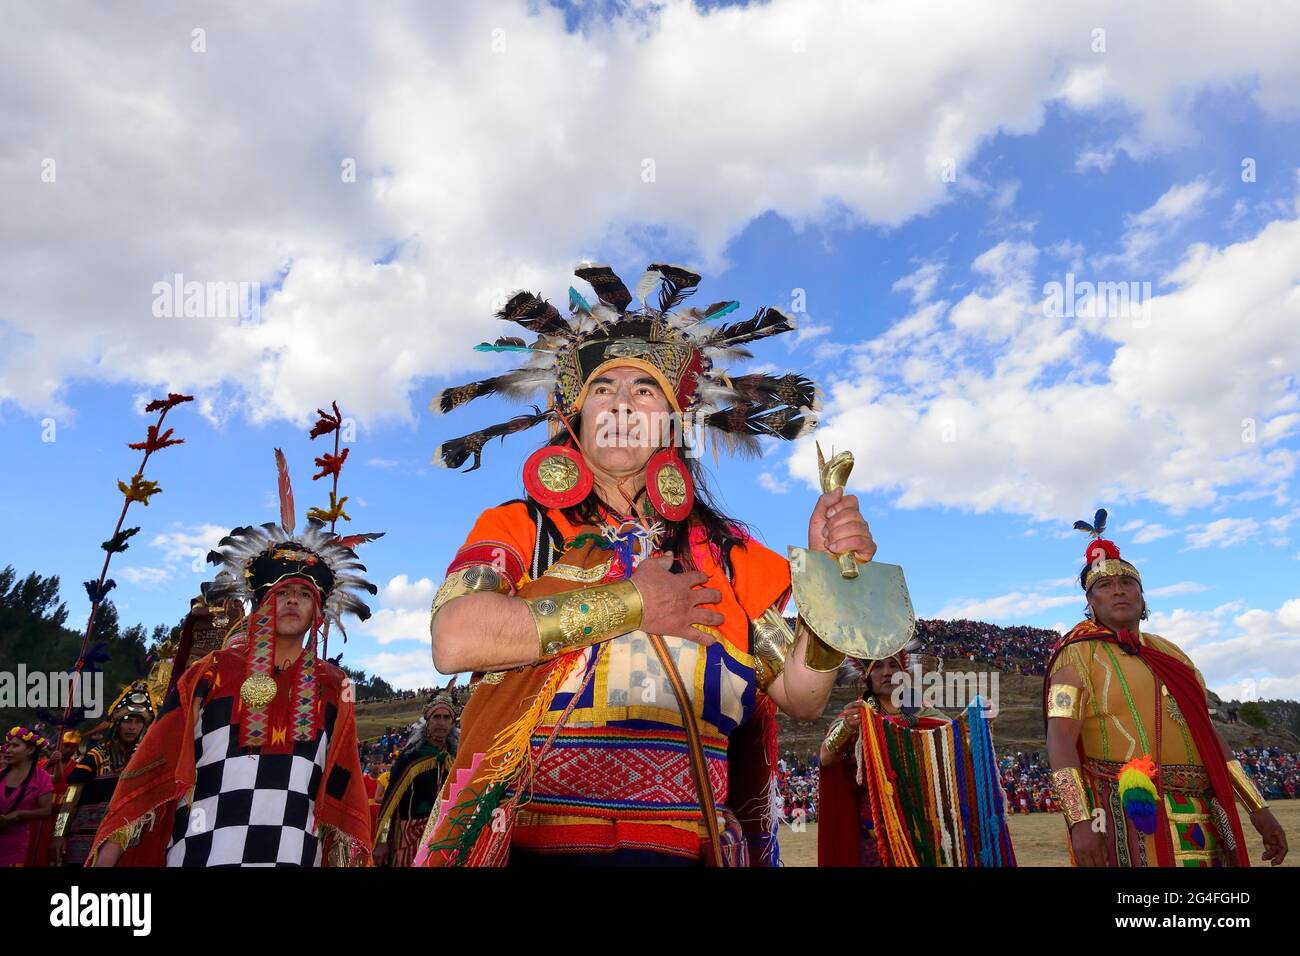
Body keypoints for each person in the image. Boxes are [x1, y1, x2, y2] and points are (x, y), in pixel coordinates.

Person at [420, 263, 877, 866]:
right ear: (573, 419)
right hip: (544, 851)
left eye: (645, 390)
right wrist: (632, 604)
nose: (622, 404)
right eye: (603, 389)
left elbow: (801, 694)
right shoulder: (522, 528)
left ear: (673, 421)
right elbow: (454, 639)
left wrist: (830, 585)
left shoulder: (726, 553)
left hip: (691, 851)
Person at [88, 461, 381, 867]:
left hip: (293, 853)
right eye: (280, 592)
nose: (291, 599)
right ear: (261, 603)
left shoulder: (335, 686)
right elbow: (154, 764)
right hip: (201, 851)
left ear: (319, 609)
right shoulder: (211, 671)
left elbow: (343, 789)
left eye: (302, 592)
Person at [1044, 509, 1289, 867]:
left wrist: (1258, 806)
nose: (1118, 591)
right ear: (1090, 603)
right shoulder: (1075, 657)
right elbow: (1060, 739)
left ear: (1142, 597)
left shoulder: (1173, 655)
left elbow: (1209, 734)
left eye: (1127, 584)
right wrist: (1080, 821)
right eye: (1105, 587)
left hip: (1203, 807)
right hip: (1125, 809)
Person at [816, 651, 951, 866]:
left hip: (923, 830)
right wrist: (847, 729)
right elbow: (826, 758)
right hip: (875, 833)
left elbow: (959, 742)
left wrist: (981, 721)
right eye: (878, 666)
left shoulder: (925, 713)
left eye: (893, 665)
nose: (887, 673)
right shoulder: (857, 715)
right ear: (867, 675)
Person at [52, 681, 154, 866]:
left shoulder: (144, 760)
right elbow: (71, 797)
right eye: (127, 721)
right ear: (117, 724)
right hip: (84, 836)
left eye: (137, 722)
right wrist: (59, 833)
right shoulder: (97, 755)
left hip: (124, 838)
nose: (132, 727)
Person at [373, 695, 457, 866]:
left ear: (452, 723)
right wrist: (382, 841)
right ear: (428, 721)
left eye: (446, 717)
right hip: (408, 837)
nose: (441, 722)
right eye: (436, 717)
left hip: (444, 835)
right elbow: (390, 803)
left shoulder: (456, 758)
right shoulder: (410, 757)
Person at [0, 728, 54, 867]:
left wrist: (19, 814)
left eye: (15, 746)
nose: (8, 750)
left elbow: (46, 810)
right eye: (9, 745)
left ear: (30, 750)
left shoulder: (42, 777)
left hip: (16, 846)